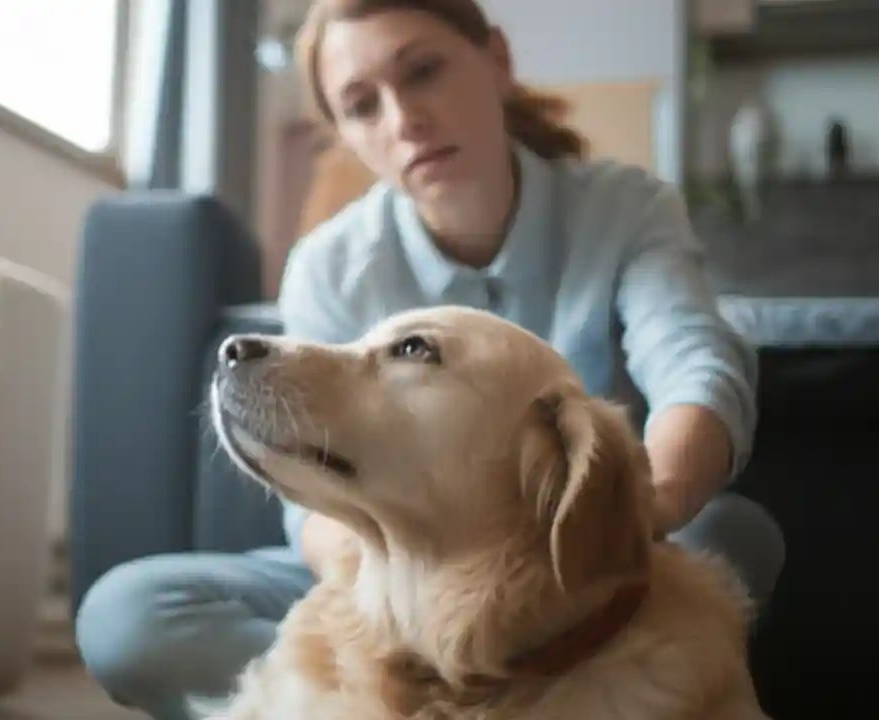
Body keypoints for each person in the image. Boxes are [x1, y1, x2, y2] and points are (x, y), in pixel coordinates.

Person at [75, 2, 786, 718]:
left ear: (498, 62)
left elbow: (697, 365)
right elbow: (312, 501)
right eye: (361, 105)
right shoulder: (331, 261)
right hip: (383, 566)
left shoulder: (625, 209)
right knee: (126, 614)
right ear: (347, 134)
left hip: (578, 563)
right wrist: (410, 620)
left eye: (423, 72)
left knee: (730, 534)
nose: (403, 117)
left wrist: (634, 509)